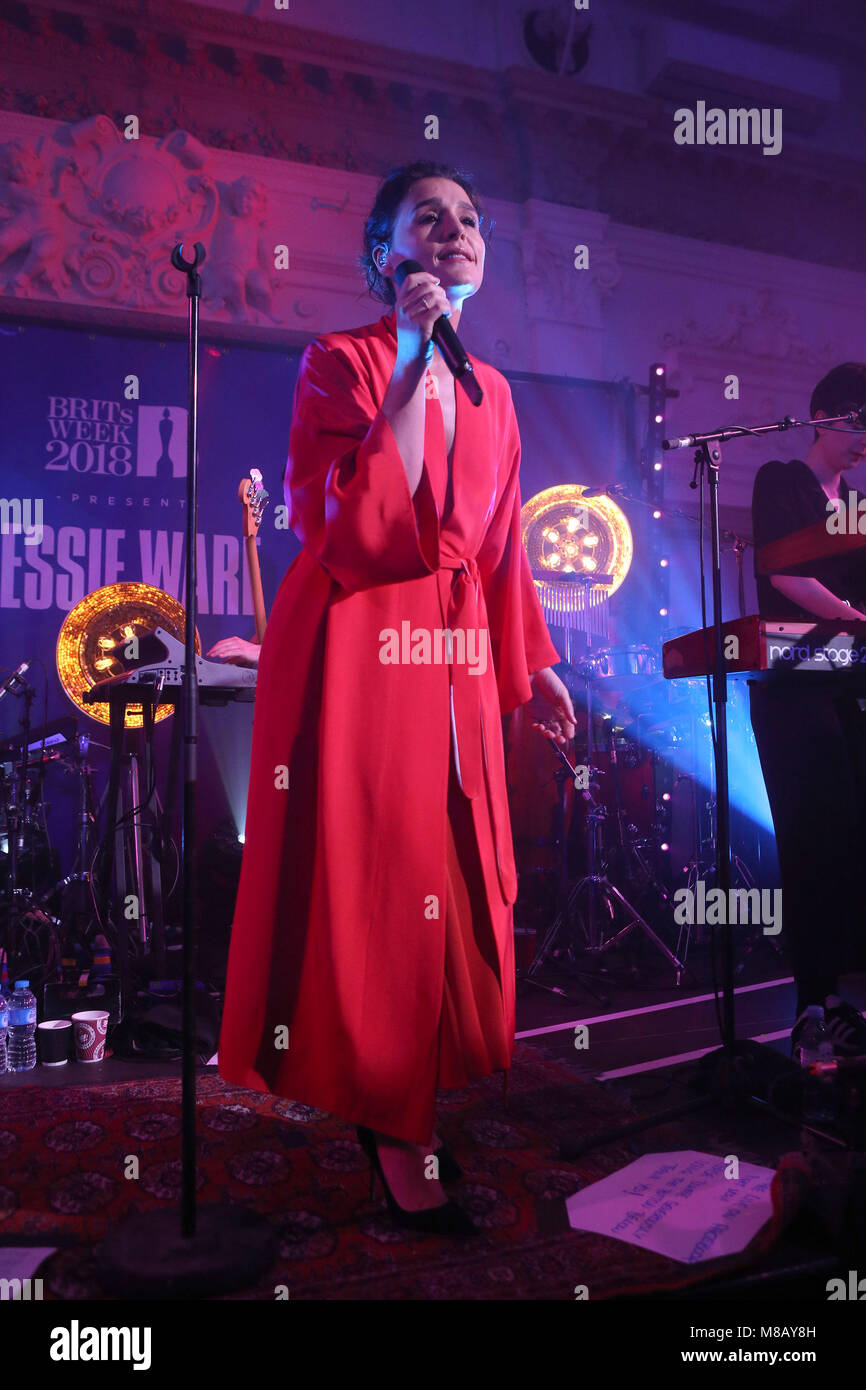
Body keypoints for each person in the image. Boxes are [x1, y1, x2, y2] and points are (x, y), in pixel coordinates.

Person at [217, 161, 575, 1234]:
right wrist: (414, 362)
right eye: (432, 218)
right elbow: (348, 527)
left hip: (457, 651)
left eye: (471, 218)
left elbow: (502, 550)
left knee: (452, 867)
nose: (458, 230)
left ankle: (407, 1095)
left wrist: (534, 664)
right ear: (387, 252)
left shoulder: (498, 391)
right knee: (379, 874)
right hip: (361, 640)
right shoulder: (342, 359)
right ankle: (391, 1123)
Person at [750, 362, 866, 1060]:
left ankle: (831, 997)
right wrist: (854, 619)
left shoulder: (857, 500)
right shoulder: (780, 479)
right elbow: (784, 572)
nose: (864, 439)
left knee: (850, 834)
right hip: (795, 683)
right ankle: (809, 1001)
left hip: (846, 681)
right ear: (825, 415)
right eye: (858, 423)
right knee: (811, 834)